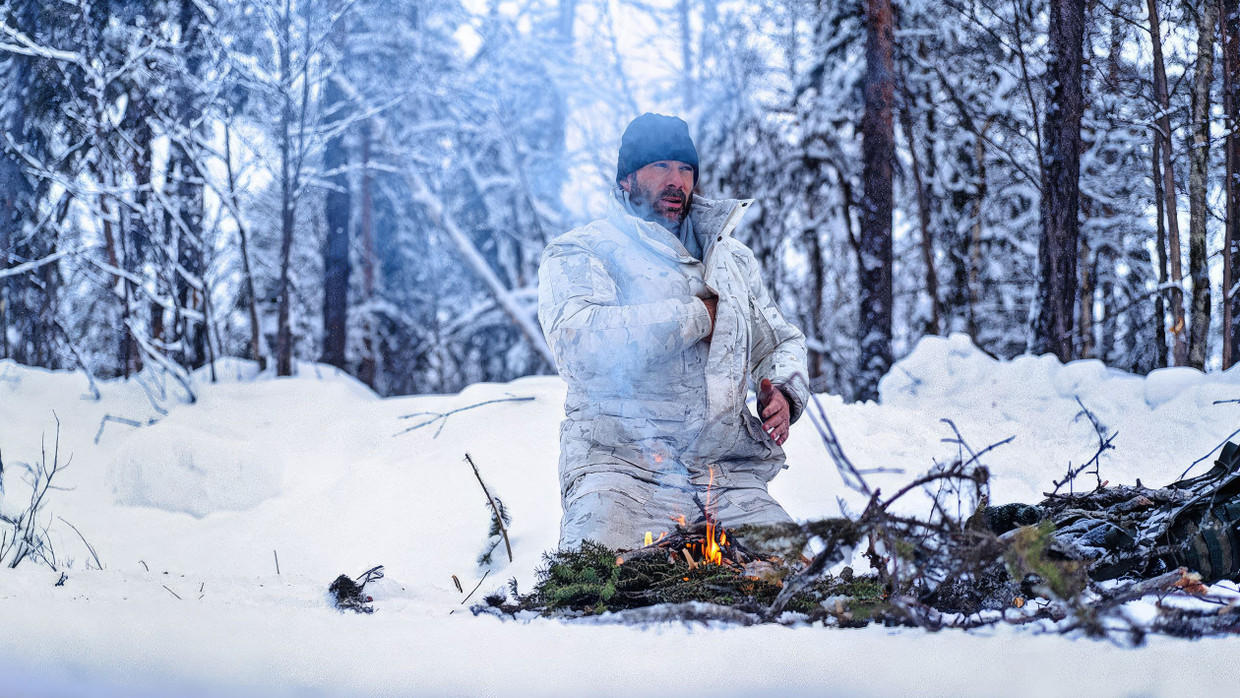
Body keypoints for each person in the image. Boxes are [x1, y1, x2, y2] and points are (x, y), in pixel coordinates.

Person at [537, 113, 810, 550]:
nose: (676, 180)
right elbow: (581, 343)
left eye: (685, 169)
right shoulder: (583, 250)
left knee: (800, 580)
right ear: (628, 179)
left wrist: (783, 391)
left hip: (725, 477)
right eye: (660, 166)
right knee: (594, 587)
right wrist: (698, 315)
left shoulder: (732, 260)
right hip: (619, 472)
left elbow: (780, 341)